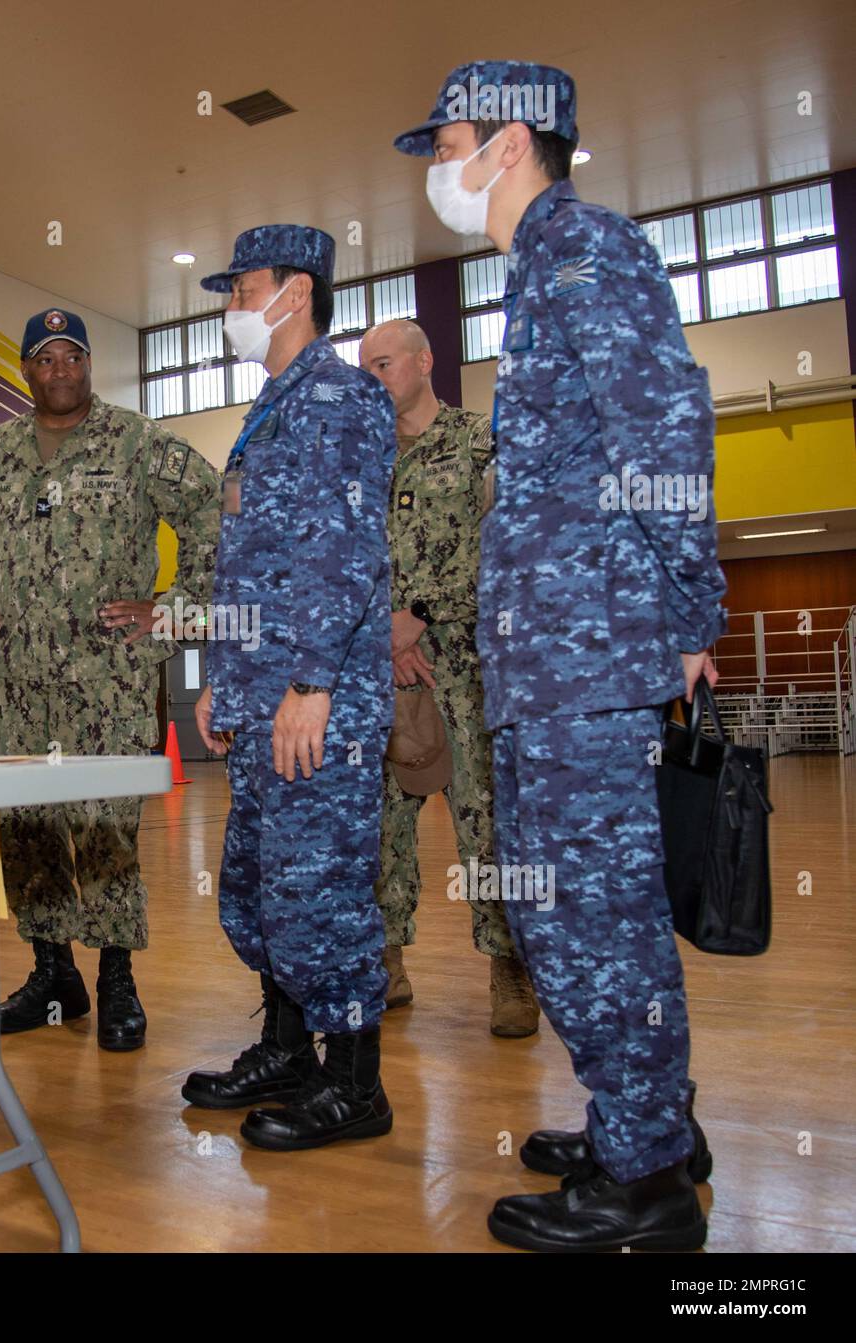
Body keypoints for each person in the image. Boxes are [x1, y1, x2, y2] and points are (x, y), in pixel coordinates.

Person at [395, 61, 725, 1249]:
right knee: (565, 904)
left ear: (512, 139)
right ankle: (645, 1120)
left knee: (593, 909)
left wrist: (692, 609)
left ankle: (645, 1191)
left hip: (592, 647)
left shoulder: (585, 247)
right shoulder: (536, 266)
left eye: (447, 142)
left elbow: (665, 426)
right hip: (549, 654)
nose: (437, 167)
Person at [182, 226, 397, 1151]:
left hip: (319, 703)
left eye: (243, 287)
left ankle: (356, 1084)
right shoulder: (270, 407)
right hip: (261, 699)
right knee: (261, 894)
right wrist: (223, 683)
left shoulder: (340, 398)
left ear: (295, 291)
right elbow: (254, 564)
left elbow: (345, 557)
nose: (232, 305)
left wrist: (311, 682)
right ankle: (287, 1049)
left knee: (324, 897)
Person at [0, 309, 220, 1051]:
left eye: (74, 356)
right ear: (26, 370)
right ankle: (52, 972)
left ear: (89, 365)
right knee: (27, 827)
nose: (61, 369)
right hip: (14, 682)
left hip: (106, 677)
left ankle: (114, 978)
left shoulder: (136, 442)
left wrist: (173, 609)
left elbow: (210, 507)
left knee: (104, 827)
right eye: (46, 358)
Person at [360, 318, 539, 1034]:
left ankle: (508, 968)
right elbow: (345, 561)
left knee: (484, 823)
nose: (376, 377)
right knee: (379, 826)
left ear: (426, 361)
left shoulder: (479, 443)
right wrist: (389, 629)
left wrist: (423, 614)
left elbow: (506, 550)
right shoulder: (359, 459)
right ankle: (389, 960)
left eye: (386, 363)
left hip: (466, 669)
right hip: (382, 670)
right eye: (366, 367)